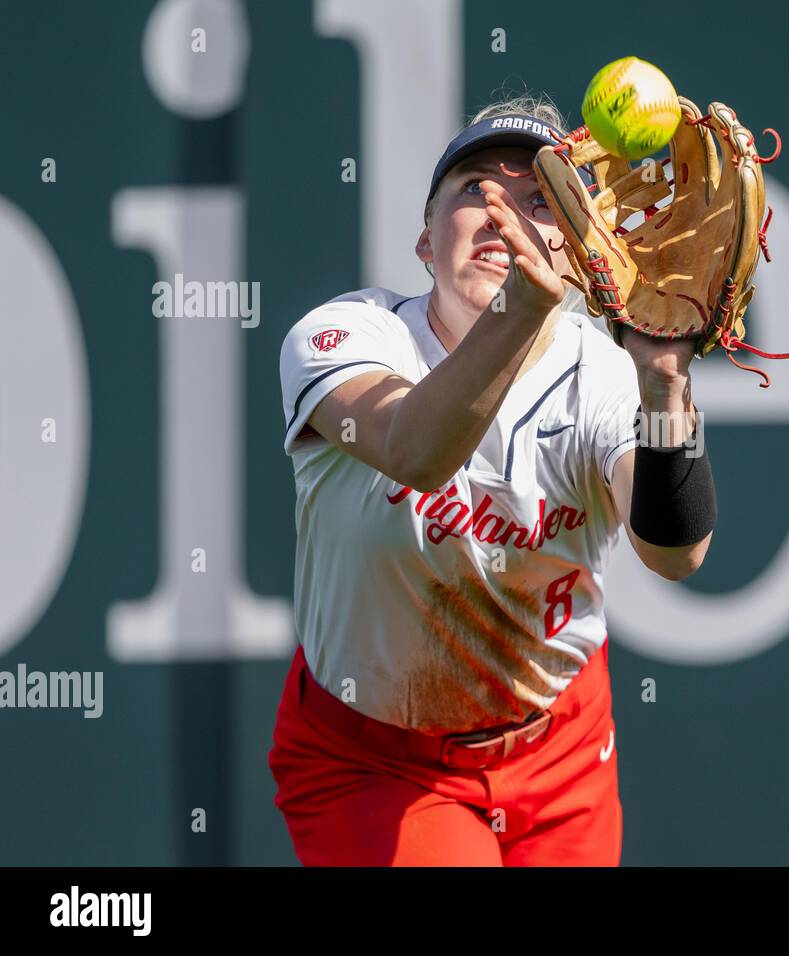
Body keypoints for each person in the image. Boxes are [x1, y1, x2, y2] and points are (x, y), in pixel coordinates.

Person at [267, 93, 718, 866]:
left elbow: (675, 556)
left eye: (542, 199)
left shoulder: (603, 378)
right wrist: (524, 303)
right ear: (424, 241)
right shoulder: (345, 337)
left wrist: (666, 392)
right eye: (475, 190)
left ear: (582, 250)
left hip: (560, 747)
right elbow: (415, 451)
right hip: (375, 760)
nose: (503, 213)